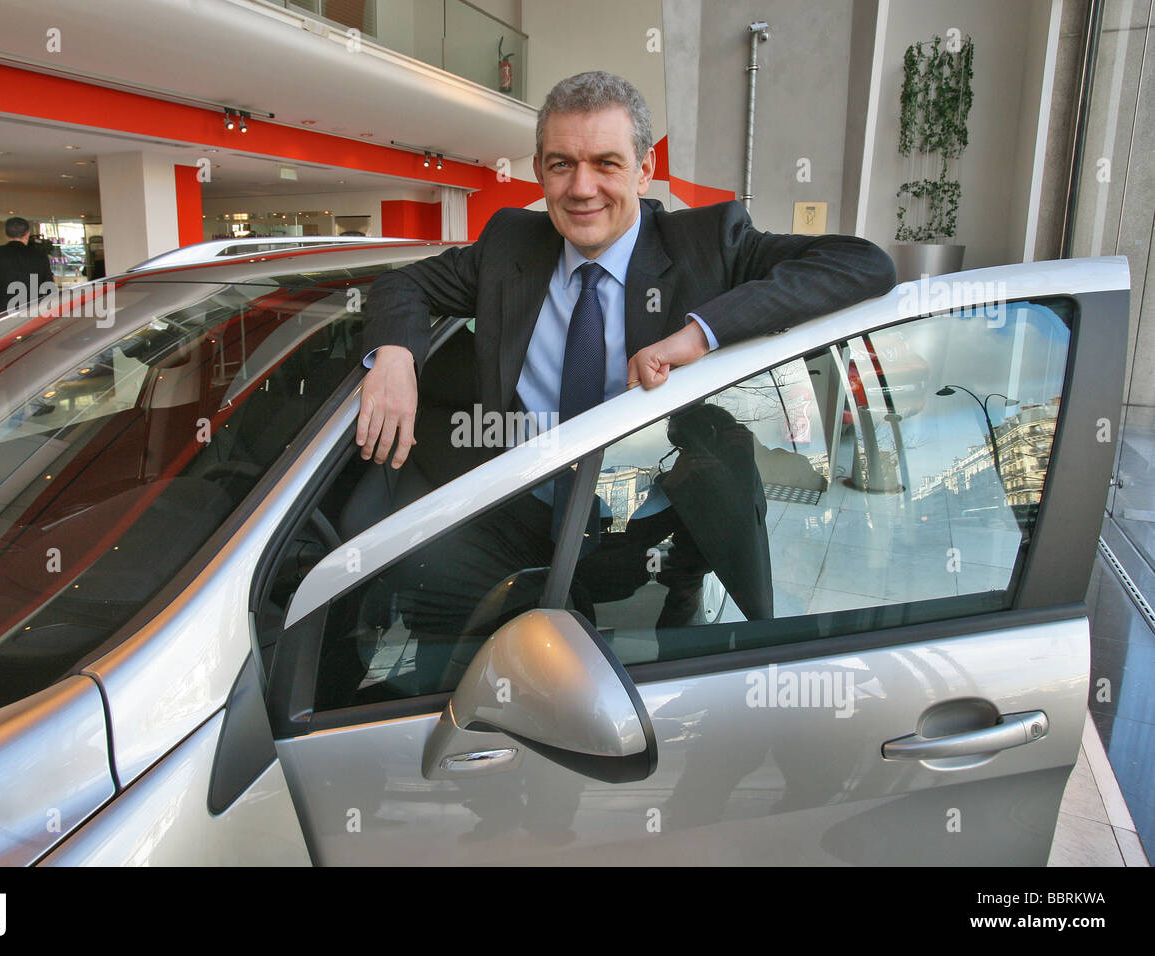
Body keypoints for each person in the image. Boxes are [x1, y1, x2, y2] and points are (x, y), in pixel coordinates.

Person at [347, 70, 896, 693]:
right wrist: (393, 355)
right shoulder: (509, 244)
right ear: (538, 168)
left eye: (607, 163)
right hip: (521, 515)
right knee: (456, 682)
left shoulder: (706, 244)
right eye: (561, 165)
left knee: (662, 698)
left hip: (659, 527)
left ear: (644, 168)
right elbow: (402, 283)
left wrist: (699, 333)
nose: (582, 189)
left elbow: (862, 263)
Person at [0, 217, 55, 319]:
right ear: (27, 233)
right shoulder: (39, 256)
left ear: (5, 233)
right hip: (32, 313)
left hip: (1, 315)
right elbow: (49, 288)